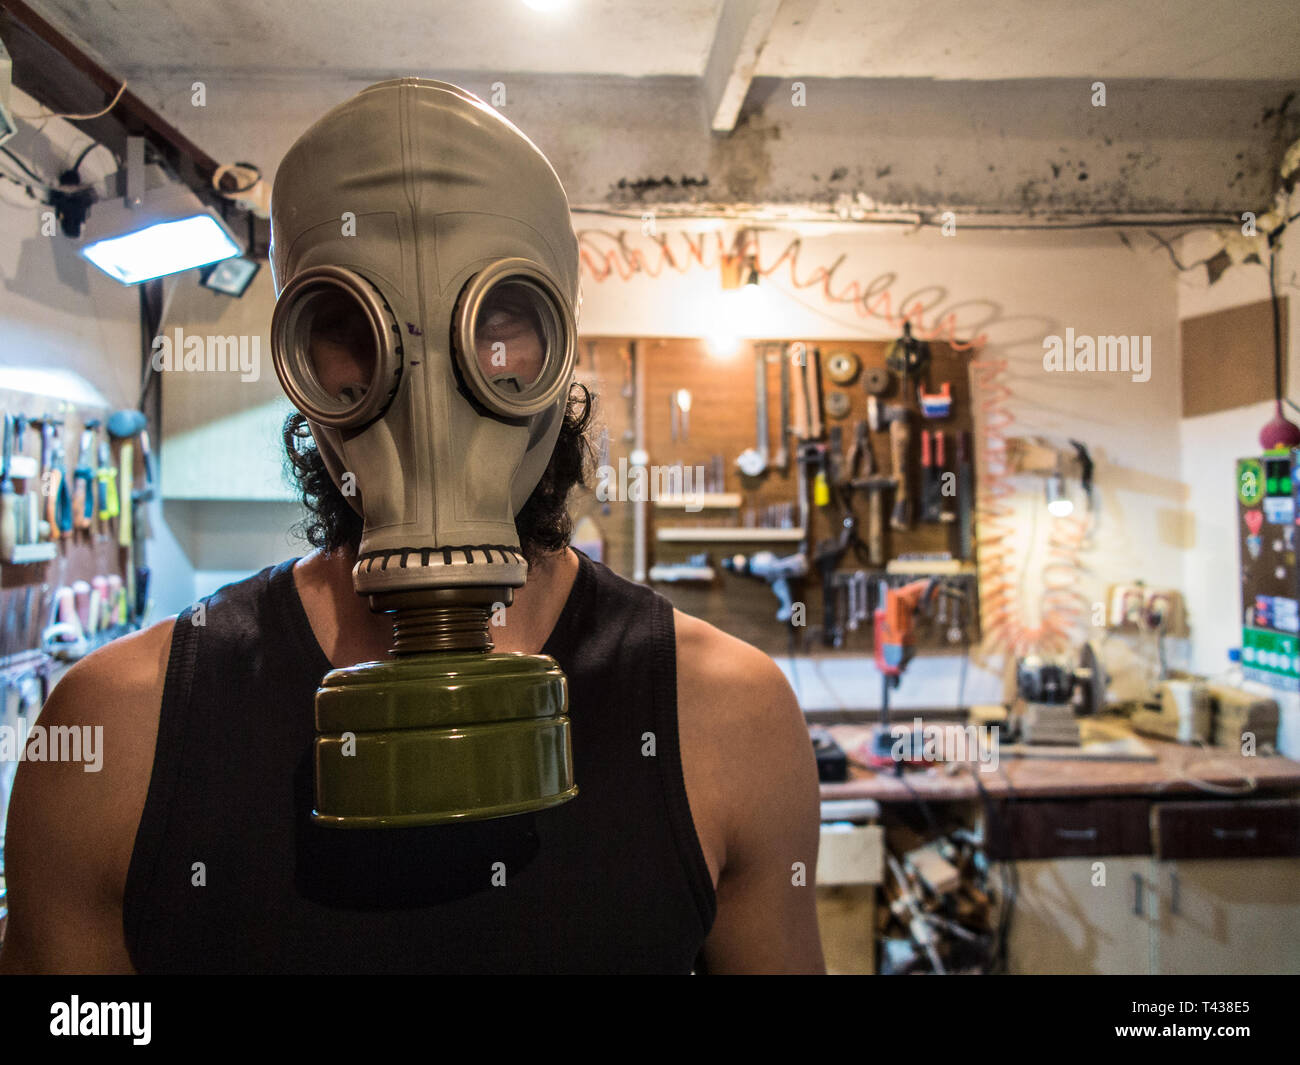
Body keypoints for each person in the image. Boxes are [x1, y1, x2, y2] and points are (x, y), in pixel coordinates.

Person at [0, 80, 824, 975]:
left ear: (560, 346)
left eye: (497, 323)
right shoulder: (111, 735)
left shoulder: (731, 720)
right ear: (300, 360)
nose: (431, 402)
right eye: (351, 325)